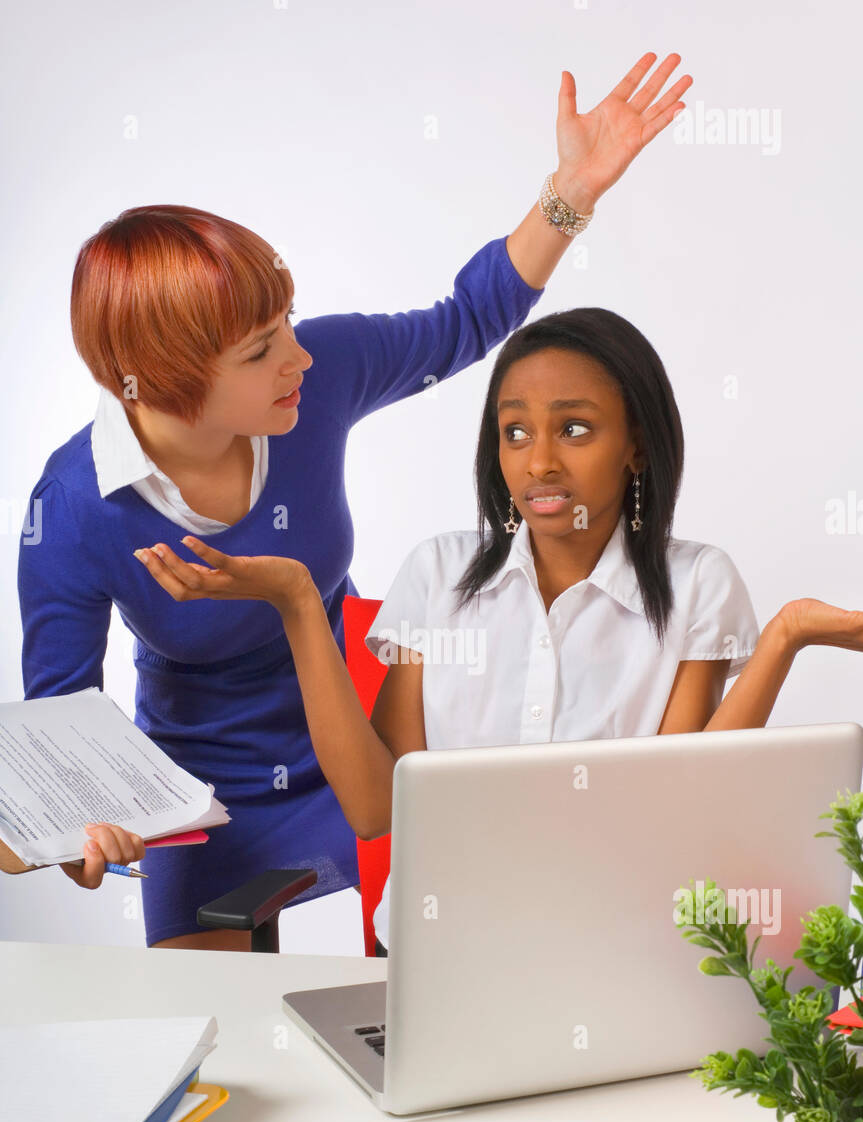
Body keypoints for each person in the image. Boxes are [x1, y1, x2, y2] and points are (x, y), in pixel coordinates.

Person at [17, 55, 694, 941]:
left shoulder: (319, 374)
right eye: (259, 351)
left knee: (461, 971)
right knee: (221, 1034)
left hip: (361, 739)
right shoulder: (70, 509)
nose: (296, 356)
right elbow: (61, 736)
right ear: (160, 385)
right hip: (204, 786)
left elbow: (463, 323)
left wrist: (569, 193)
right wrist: (83, 832)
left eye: (286, 323)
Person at [132, 305, 863, 956]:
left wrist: (786, 635)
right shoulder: (440, 574)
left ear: (635, 445)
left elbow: (675, 806)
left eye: (574, 429)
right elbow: (374, 805)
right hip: (443, 953)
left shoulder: (694, 583)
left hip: (620, 952)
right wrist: (296, 601)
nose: (540, 461)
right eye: (516, 432)